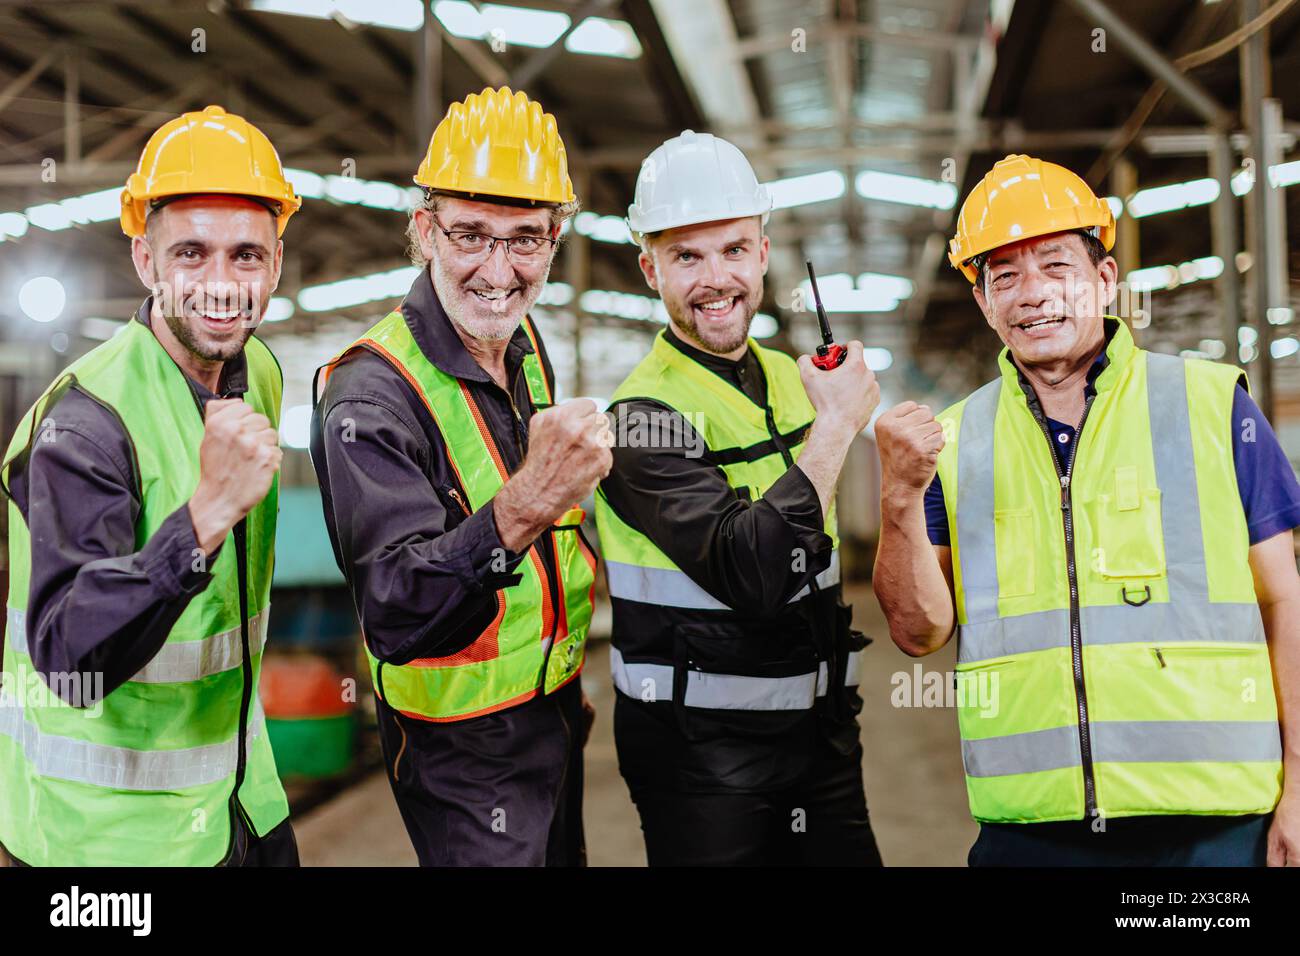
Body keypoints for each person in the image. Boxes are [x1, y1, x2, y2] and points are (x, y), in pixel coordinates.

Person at [873, 153, 1300, 866]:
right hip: (1033, 830)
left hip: (1213, 825)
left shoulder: (1212, 404)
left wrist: (1299, 788)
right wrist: (898, 498)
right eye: (1003, 275)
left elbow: (1285, 603)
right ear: (984, 302)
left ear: (1105, 279)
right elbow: (919, 634)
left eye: (1055, 265)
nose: (1031, 292)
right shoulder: (954, 441)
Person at [311, 87, 611, 866]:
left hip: (552, 709)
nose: (499, 270)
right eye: (471, 235)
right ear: (423, 230)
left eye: (526, 241)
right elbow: (395, 611)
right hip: (463, 750)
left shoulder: (520, 338)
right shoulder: (370, 394)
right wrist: (531, 500)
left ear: (556, 239)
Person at [0, 105, 299, 866]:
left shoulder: (255, 369)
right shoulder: (84, 427)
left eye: (247, 256)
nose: (223, 286)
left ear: (276, 261)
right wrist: (200, 520)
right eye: (192, 253)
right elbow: (71, 663)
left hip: (239, 801)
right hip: (111, 842)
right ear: (145, 260)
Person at [594, 130, 884, 865]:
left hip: (819, 743)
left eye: (731, 250)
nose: (714, 278)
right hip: (701, 764)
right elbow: (754, 571)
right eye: (686, 256)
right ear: (649, 269)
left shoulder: (794, 379)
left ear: (762, 253)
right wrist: (838, 428)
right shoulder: (639, 418)